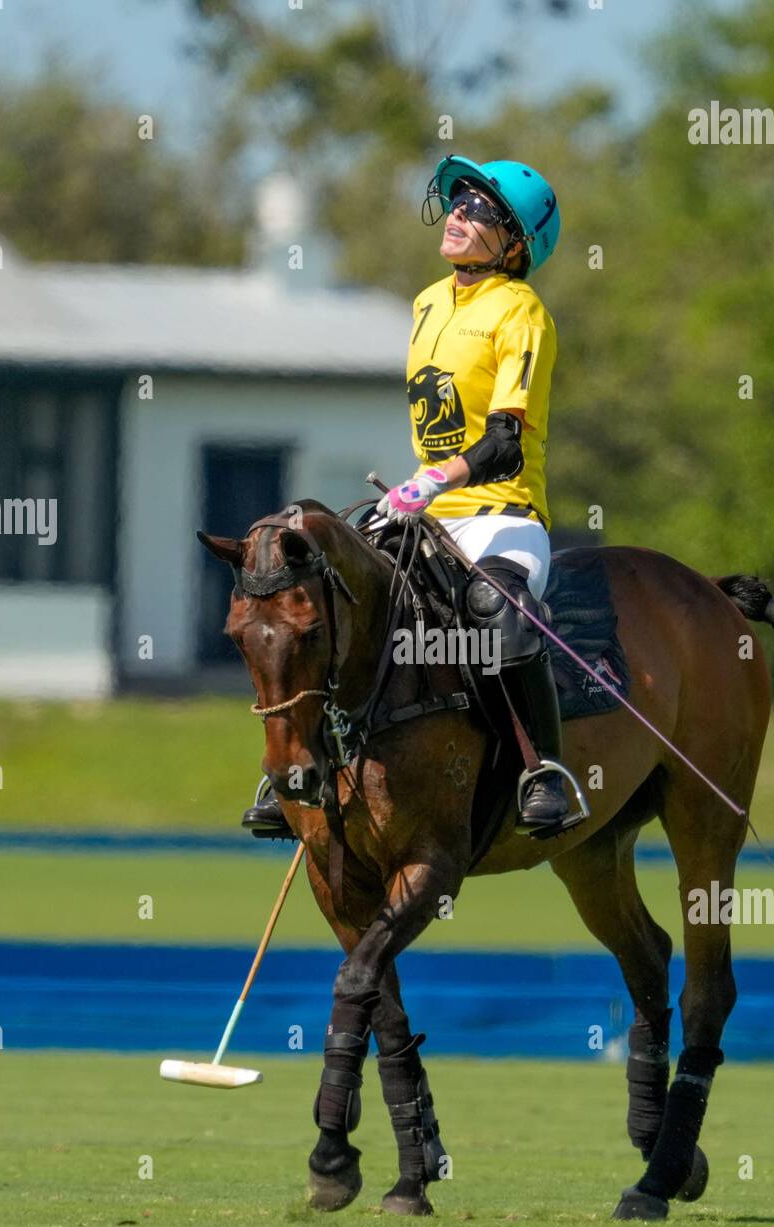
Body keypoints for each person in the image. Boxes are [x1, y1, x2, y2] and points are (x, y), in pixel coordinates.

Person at [243, 155, 581, 838]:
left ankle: (543, 769)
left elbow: (504, 444)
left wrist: (430, 481)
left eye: (482, 209)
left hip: (500, 515)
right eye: (458, 201)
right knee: (331, 595)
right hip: (426, 512)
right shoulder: (427, 302)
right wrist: (416, 495)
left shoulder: (522, 312)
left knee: (496, 609)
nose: (460, 213)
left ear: (515, 243)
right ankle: (299, 770)